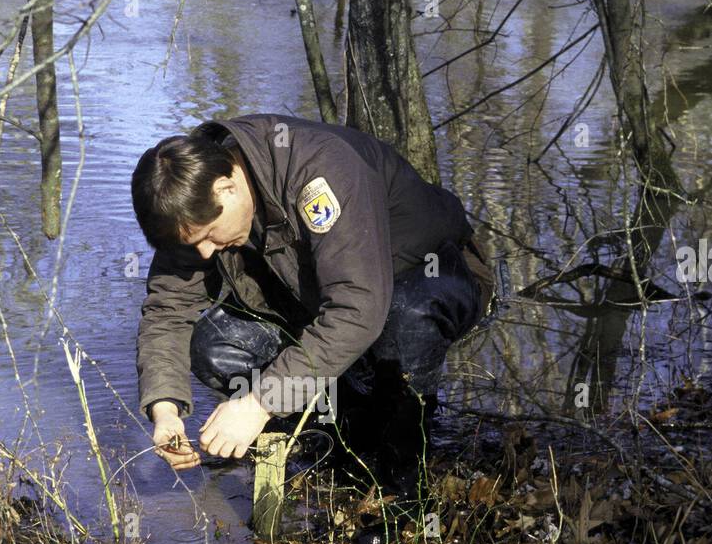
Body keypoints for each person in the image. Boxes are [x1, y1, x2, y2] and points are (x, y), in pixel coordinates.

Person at [131, 113, 493, 492]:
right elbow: (167, 310)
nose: (204, 253)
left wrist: (260, 402)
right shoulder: (190, 202)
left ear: (227, 187)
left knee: (407, 317)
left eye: (208, 236)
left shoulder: (320, 172)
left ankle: (402, 488)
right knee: (215, 345)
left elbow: (358, 309)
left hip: (434, 274)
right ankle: (332, 446)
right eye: (193, 244)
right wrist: (165, 410)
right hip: (317, 301)